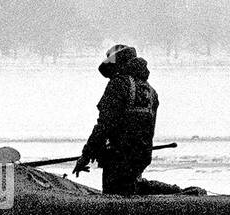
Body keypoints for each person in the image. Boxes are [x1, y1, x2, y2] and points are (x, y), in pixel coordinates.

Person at [73, 45, 173, 196]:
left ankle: (173, 193)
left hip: (118, 157)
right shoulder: (150, 90)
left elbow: (105, 125)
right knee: (132, 190)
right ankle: (173, 194)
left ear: (118, 64)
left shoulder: (118, 85)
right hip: (141, 155)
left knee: (115, 200)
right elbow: (148, 129)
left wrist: (86, 155)